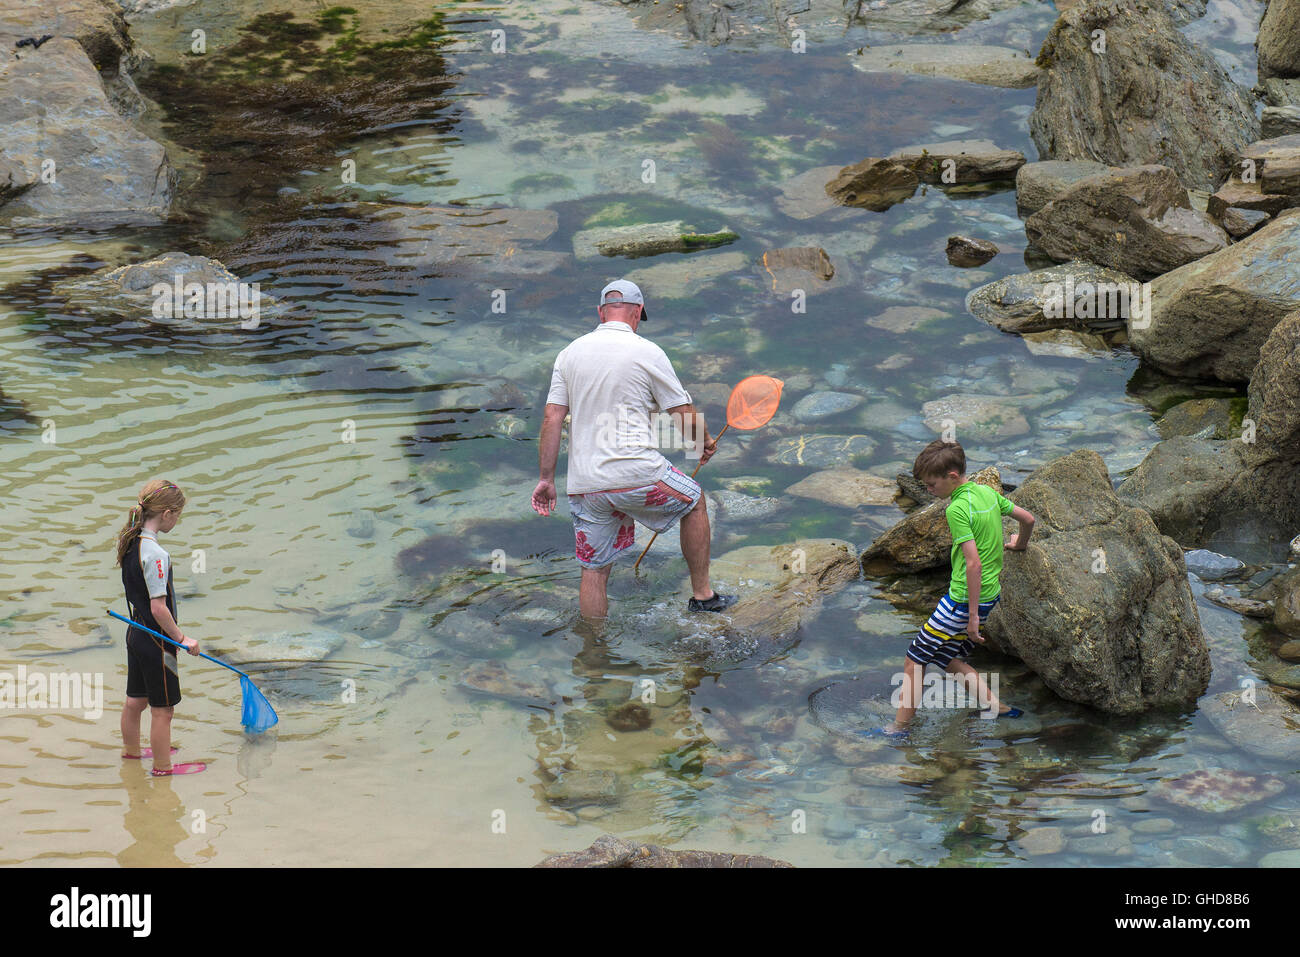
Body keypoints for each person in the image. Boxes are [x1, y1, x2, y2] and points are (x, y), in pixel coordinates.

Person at [532, 279, 736, 620]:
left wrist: (546, 479)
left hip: (585, 486)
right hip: (637, 476)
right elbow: (681, 412)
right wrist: (703, 443)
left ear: (600, 312)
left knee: (594, 570)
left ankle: (594, 653)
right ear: (637, 313)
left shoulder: (568, 354)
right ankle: (703, 596)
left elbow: (552, 418)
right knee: (694, 501)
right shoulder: (647, 351)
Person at [866, 439, 1036, 738]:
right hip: (989, 595)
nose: (929, 491)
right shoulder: (987, 493)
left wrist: (971, 617)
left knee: (913, 661)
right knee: (948, 659)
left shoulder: (957, 509)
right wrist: (1018, 544)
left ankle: (898, 729)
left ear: (953, 476)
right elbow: (1028, 518)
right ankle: (997, 708)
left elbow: (973, 564)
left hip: (961, 601)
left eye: (932, 485)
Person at [114, 479, 205, 776]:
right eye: (177, 515)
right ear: (166, 514)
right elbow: (158, 607)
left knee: (135, 700)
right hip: (157, 640)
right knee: (163, 710)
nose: (176, 520)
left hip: (135, 631)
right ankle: (163, 768)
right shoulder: (156, 554)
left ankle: (131, 753)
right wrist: (182, 639)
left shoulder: (130, 542)